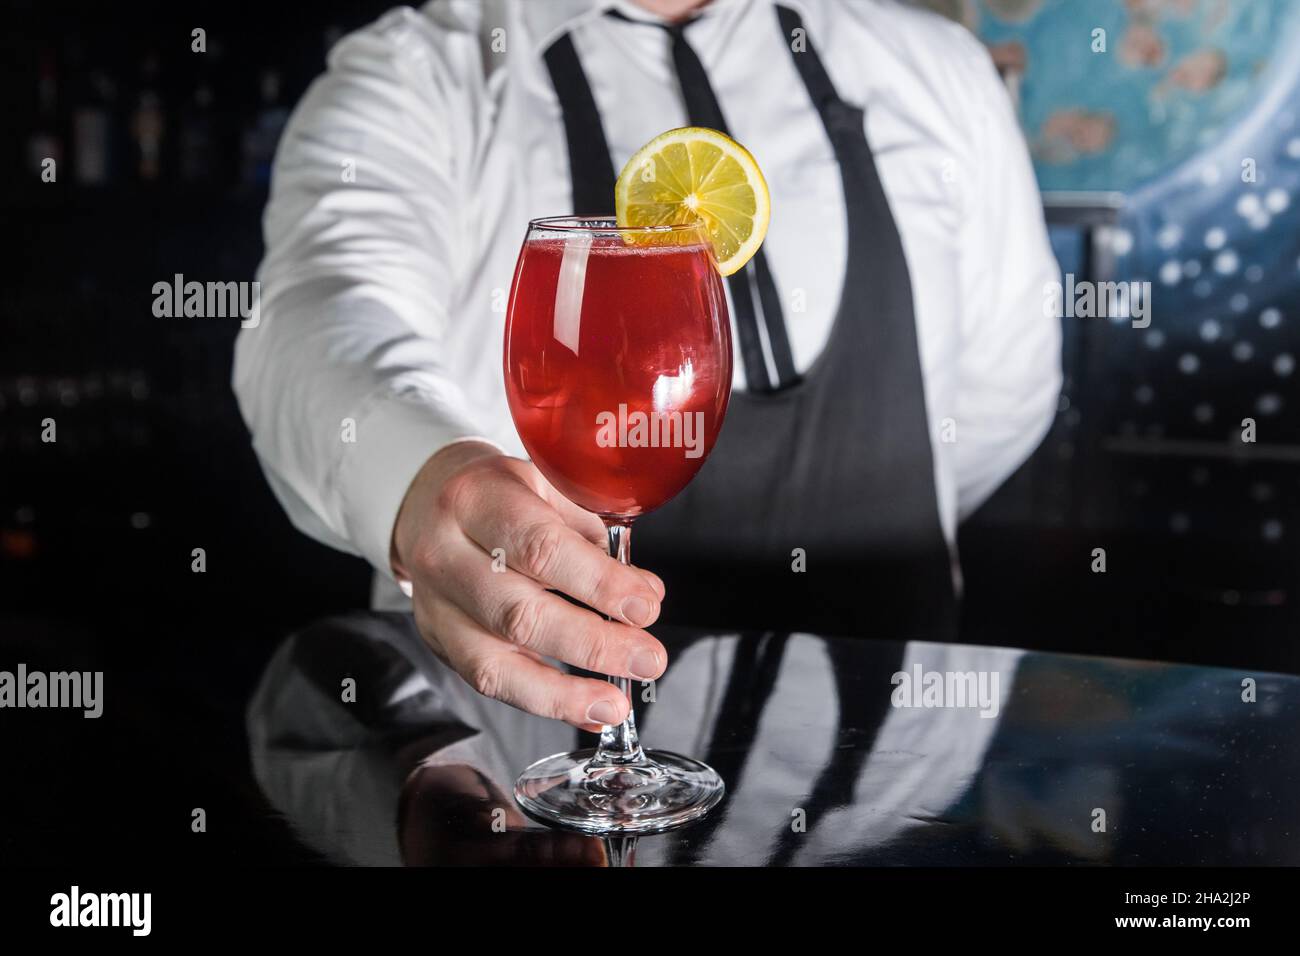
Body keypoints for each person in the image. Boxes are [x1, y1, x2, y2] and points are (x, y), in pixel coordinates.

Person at [233, 0, 1061, 733]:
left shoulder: (937, 70)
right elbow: (323, 300)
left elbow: (1003, 394)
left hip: (894, 783)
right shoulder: (418, 75)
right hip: (524, 790)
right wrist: (422, 476)